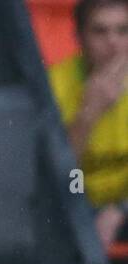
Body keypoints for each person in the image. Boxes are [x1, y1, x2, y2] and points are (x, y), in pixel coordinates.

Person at [50, 0, 128, 247]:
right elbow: (52, 175)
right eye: (100, 31)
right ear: (79, 37)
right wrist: (88, 114)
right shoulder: (53, 84)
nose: (113, 42)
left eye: (123, 31)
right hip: (73, 206)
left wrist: (120, 210)